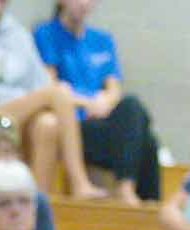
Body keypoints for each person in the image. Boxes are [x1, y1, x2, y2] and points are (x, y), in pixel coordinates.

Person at [0, 0, 95, 201]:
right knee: (59, 92)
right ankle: (79, 181)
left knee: (48, 125)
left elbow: (39, 81)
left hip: (18, 113)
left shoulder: (17, 33)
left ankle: (39, 204)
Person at [31, 0, 156, 202]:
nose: (84, 3)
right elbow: (50, 87)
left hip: (100, 120)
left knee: (135, 114)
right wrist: (87, 103)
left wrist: (104, 101)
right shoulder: (45, 34)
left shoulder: (102, 39)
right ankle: (129, 191)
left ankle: (144, 202)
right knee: (144, 135)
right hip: (72, 124)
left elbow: (114, 89)